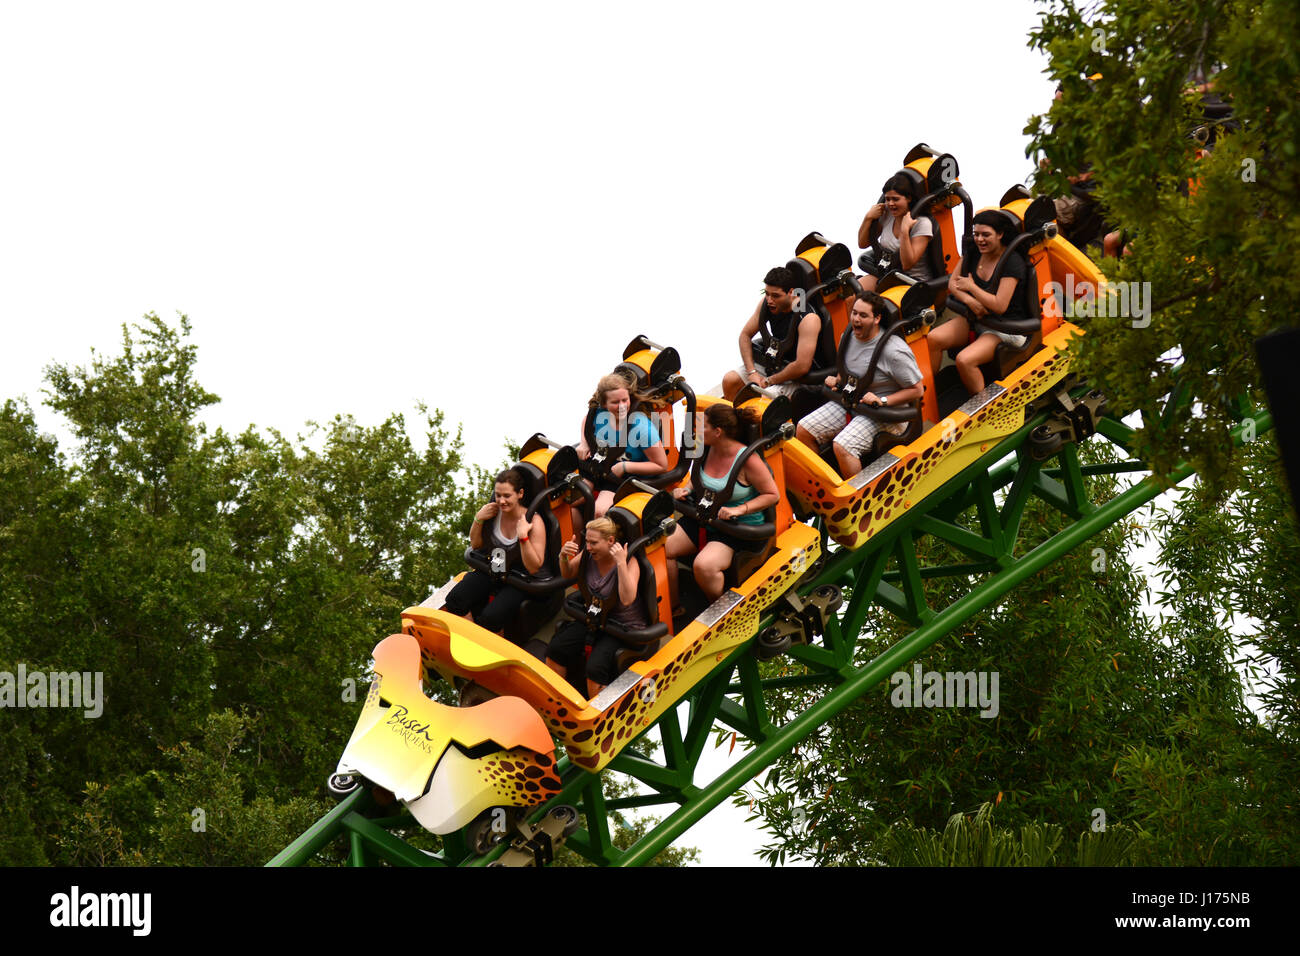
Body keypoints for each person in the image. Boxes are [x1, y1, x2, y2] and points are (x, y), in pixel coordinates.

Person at [796, 291, 925, 477]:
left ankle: (856, 497)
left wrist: (882, 400)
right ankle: (823, 481)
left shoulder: (893, 351)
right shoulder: (847, 337)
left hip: (887, 413)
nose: (856, 319)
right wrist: (838, 379)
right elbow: (846, 369)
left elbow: (917, 390)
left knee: (843, 446)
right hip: (855, 401)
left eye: (863, 315)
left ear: (877, 318)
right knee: (804, 430)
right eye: (854, 313)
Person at [664, 403, 780, 607]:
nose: (699, 429)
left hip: (735, 528)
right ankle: (674, 608)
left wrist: (739, 509)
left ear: (718, 432)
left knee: (704, 566)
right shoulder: (706, 447)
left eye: (704, 426)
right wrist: (687, 489)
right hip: (704, 517)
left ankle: (717, 609)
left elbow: (772, 495)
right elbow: (699, 477)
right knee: (663, 546)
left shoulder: (748, 460)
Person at [927, 209, 1033, 396]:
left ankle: (984, 410)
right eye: (976, 234)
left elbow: (1000, 305)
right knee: (934, 338)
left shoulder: (1012, 262)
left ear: (1000, 235)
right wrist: (971, 301)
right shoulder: (974, 252)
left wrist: (972, 287)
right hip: (978, 317)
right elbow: (953, 283)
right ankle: (928, 398)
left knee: (965, 360)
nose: (979, 240)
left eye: (986, 235)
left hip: (1004, 327)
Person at [546, 518, 647, 699]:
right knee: (556, 648)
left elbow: (627, 598)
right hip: (596, 618)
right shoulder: (589, 555)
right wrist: (563, 557)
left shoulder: (630, 562)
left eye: (594, 543)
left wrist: (621, 564)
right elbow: (568, 573)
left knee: (595, 667)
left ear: (610, 541)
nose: (589, 547)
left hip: (621, 627)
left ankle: (597, 715)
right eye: (587, 542)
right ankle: (557, 701)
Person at [443, 468, 548, 641]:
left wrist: (523, 537)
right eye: (498, 495)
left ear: (520, 494)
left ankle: (488, 650)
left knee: (490, 618)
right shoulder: (493, 512)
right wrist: (478, 519)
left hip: (520, 579)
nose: (501, 501)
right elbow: (476, 544)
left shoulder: (534, 521)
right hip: (495, 568)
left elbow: (534, 566)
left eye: (507, 496)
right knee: (455, 599)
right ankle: (470, 642)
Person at [575, 371, 669, 520]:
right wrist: (584, 442)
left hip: (625, 475)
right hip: (601, 464)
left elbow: (662, 465)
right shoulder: (599, 413)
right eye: (615, 402)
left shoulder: (641, 428)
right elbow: (587, 420)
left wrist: (626, 467)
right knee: (573, 499)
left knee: (598, 511)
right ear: (604, 404)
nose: (622, 406)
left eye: (625, 400)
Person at [721, 266, 824, 401]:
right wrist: (752, 372)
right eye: (767, 293)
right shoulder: (767, 304)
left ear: (791, 292)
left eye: (775, 296)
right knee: (730, 380)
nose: (769, 300)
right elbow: (745, 335)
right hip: (773, 367)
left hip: (795, 378)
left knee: (761, 399)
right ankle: (728, 419)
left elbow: (802, 366)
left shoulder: (808, 319)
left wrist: (769, 381)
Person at [856, 173, 935, 291]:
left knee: (876, 306)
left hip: (911, 281)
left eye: (895, 199)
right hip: (886, 273)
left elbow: (907, 264)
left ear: (908, 198)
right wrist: (868, 218)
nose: (891, 204)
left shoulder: (922, 223)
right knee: (852, 294)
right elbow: (863, 243)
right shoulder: (888, 214)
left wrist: (904, 231)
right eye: (887, 199)